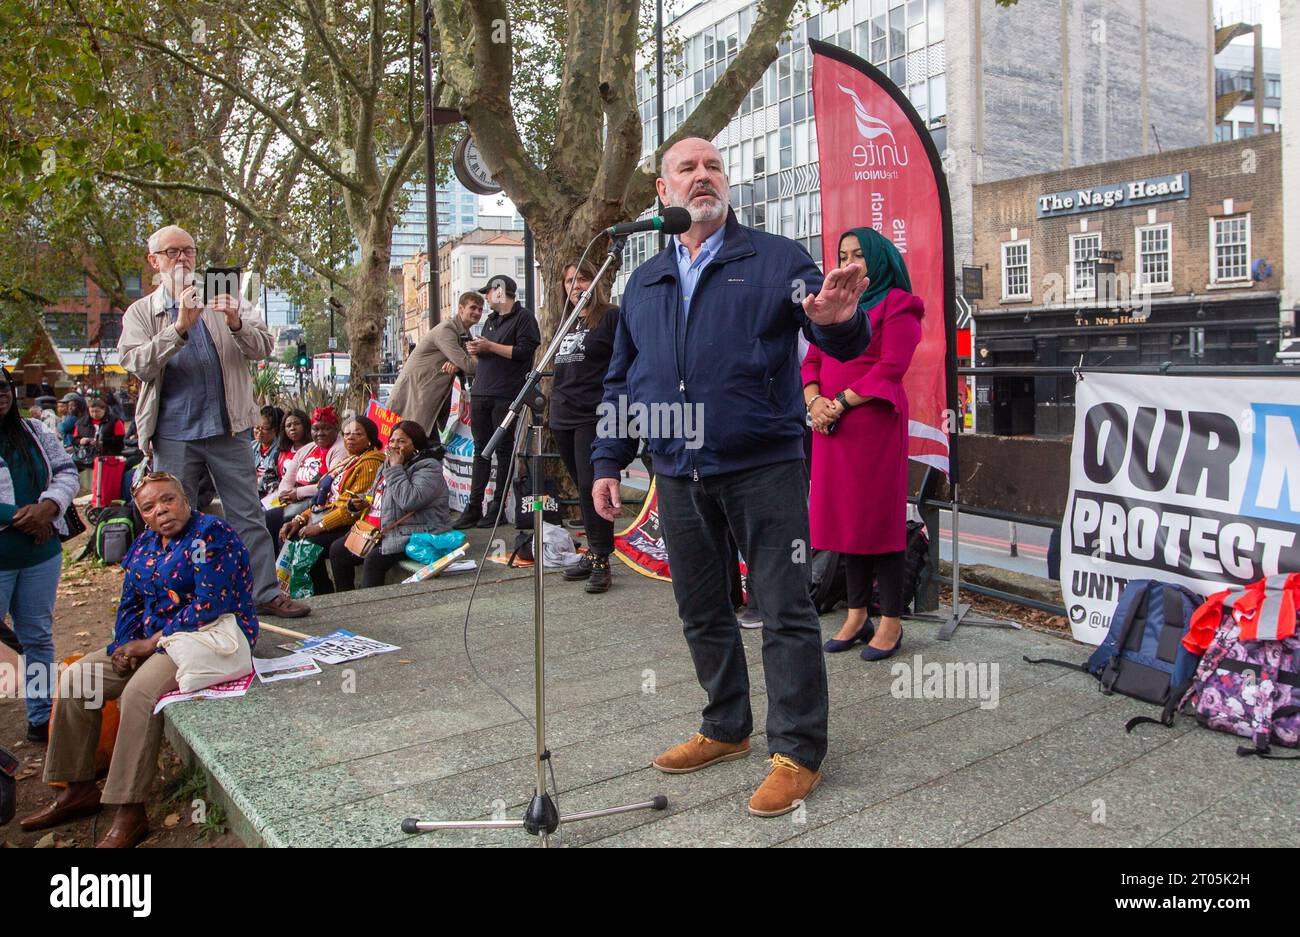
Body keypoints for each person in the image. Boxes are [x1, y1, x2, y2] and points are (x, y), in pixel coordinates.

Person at [591, 137, 869, 818]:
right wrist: (606, 457)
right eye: (687, 168)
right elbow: (624, 377)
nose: (703, 175)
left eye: (713, 166)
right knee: (701, 608)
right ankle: (726, 726)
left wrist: (840, 322)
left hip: (763, 465)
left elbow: (831, 322)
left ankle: (798, 751)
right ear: (663, 192)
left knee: (784, 608)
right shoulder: (645, 280)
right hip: (676, 471)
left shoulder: (778, 260)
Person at [23, 472, 258, 848]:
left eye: (168, 500)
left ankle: (128, 810)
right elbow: (131, 600)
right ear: (142, 515)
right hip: (150, 638)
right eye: (149, 507)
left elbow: (213, 602)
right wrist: (123, 645)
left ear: (185, 499)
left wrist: (150, 644)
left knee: (139, 694)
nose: (161, 511)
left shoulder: (212, 535)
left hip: (203, 635)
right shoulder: (146, 544)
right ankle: (77, 788)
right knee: (77, 679)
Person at [117, 224, 309, 618]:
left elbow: (265, 347)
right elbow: (135, 363)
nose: (183, 258)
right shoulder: (142, 312)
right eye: (172, 252)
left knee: (248, 515)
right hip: (174, 434)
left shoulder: (226, 296)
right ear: (154, 262)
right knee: (173, 519)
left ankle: (264, 593)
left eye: (188, 250)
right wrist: (179, 327)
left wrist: (237, 320)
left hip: (229, 429)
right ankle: (182, 601)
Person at [807, 228, 924, 662]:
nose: (850, 261)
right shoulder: (832, 303)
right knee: (845, 524)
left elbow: (892, 367)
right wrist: (815, 402)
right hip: (831, 430)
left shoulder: (899, 304)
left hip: (873, 423)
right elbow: (812, 358)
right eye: (843, 254)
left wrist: (837, 402)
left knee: (879, 523)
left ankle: (891, 619)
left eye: (859, 254)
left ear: (878, 259)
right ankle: (857, 616)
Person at [0, 369, 80, 742]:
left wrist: (48, 507)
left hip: (39, 555)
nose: (1, 394)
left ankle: (41, 716)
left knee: (37, 638)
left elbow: (66, 471)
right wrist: (18, 516)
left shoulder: (34, 430)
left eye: (4, 387)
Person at [551, 261, 620, 594]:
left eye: (581, 278)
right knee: (582, 487)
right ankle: (593, 549)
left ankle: (602, 559)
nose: (574, 285)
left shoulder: (610, 316)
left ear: (595, 281)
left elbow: (623, 363)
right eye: (568, 280)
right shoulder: (566, 323)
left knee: (594, 485)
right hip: (562, 414)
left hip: (593, 414)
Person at [454, 274, 540, 530]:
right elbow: (490, 352)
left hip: (506, 392)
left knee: (503, 451)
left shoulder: (524, 318)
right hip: (482, 390)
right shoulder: (491, 321)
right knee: (481, 451)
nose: (486, 299)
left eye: (488, 293)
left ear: (500, 292)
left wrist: (490, 346)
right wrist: (478, 349)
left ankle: (497, 507)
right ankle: (474, 506)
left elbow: (525, 352)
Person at [328, 420, 451, 591]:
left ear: (415, 445)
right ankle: (347, 599)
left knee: (374, 559)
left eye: (401, 441)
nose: (394, 446)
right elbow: (374, 493)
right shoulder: (388, 464)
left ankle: (370, 607)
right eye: (392, 441)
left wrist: (396, 468)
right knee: (338, 550)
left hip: (417, 531)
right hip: (383, 528)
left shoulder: (429, 468)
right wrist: (358, 503)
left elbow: (409, 500)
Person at [280, 416, 384, 595]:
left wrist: (320, 526)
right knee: (291, 532)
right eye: (347, 434)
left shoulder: (371, 462)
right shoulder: (348, 460)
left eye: (358, 434)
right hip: (328, 515)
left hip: (349, 522)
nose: (350, 438)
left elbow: (349, 508)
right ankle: (317, 592)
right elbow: (325, 500)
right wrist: (300, 518)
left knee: (309, 543)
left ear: (370, 439)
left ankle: (326, 594)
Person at [387, 291, 482, 435]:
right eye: (473, 308)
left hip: (428, 397)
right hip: (417, 394)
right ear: (461, 309)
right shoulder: (447, 330)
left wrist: (457, 366)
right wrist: (473, 356)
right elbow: (470, 366)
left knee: (423, 443)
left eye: (480, 309)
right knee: (411, 440)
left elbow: (463, 365)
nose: (477, 312)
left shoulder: (463, 333)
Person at [264, 406, 347, 547]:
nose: (320, 433)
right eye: (316, 429)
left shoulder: (340, 449)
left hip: (316, 502)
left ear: (336, 428)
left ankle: (281, 567)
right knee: (266, 518)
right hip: (293, 500)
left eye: (326, 428)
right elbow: (287, 479)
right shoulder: (308, 448)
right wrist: (286, 493)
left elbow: (330, 484)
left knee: (278, 525)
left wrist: (298, 493)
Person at [72, 393, 127, 464]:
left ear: (104, 410)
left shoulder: (115, 421)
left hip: (109, 456)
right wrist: (81, 440)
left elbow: (120, 439)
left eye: (97, 411)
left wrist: (102, 441)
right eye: (92, 411)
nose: (94, 414)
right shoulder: (81, 423)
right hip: (86, 456)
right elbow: (74, 440)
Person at [252, 405, 284, 500]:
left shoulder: (281, 450)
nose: (259, 432)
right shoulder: (251, 447)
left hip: (270, 494)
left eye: (264, 429)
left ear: (274, 430)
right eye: (257, 428)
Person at [276, 408, 312, 481]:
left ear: (305, 425)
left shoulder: (315, 449)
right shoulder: (281, 454)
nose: (292, 428)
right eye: (288, 426)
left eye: (297, 424)